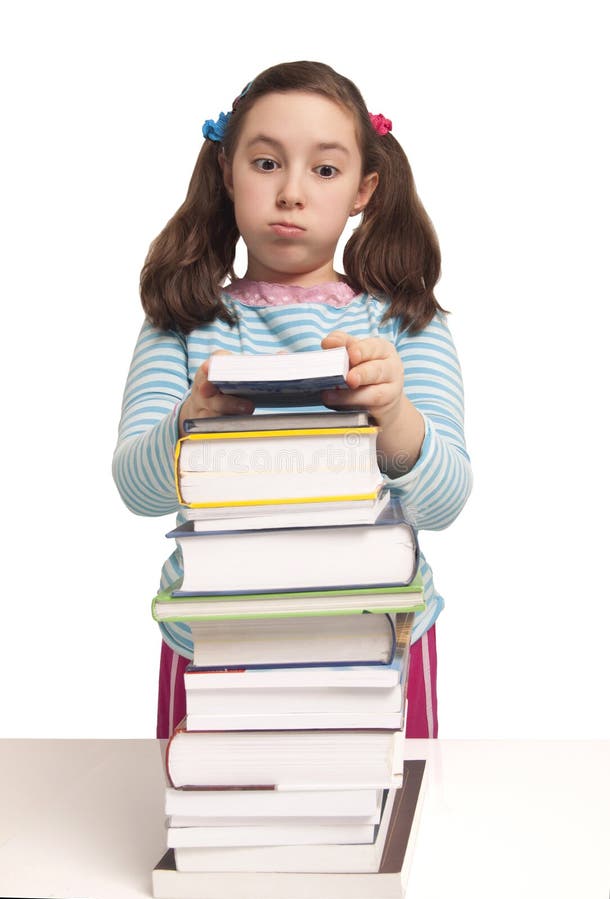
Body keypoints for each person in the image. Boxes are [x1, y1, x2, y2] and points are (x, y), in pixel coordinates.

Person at [113, 60, 472, 740]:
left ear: (365, 188)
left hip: (378, 632)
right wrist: (188, 420)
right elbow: (138, 489)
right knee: (220, 819)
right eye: (268, 163)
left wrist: (393, 415)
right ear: (226, 172)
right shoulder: (183, 320)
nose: (292, 193)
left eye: (325, 170)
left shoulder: (405, 324)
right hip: (218, 632)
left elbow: (445, 501)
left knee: (377, 823)